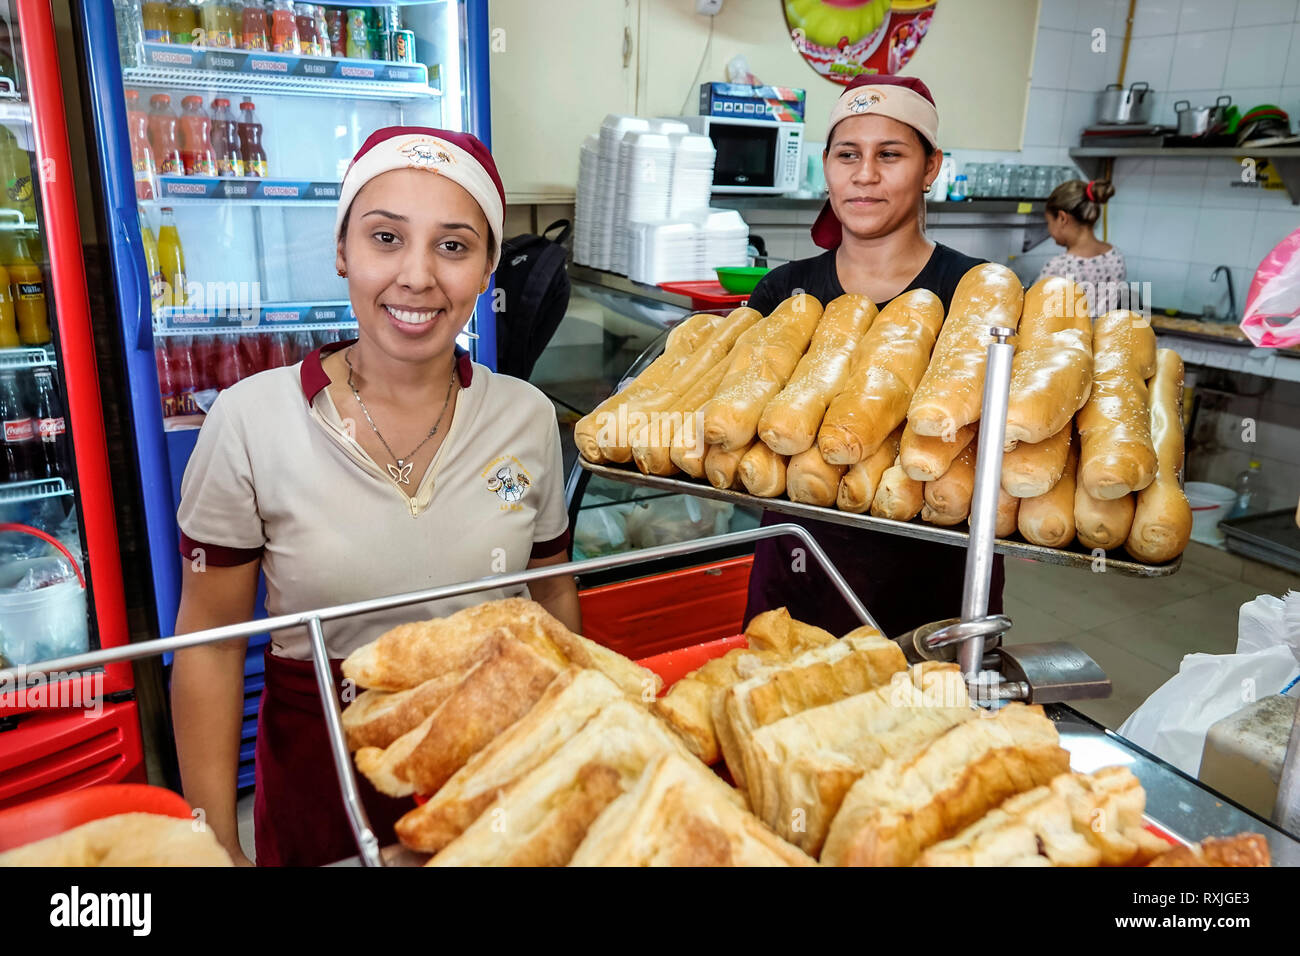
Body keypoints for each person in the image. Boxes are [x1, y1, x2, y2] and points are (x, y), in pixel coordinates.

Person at [170, 127, 579, 867]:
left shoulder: (525, 416)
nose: (417, 275)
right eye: (386, 237)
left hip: (494, 763)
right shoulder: (251, 421)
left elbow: (552, 598)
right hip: (324, 770)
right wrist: (213, 839)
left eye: (454, 246)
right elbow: (211, 645)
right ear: (341, 251)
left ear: (488, 267)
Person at [743, 74, 1004, 640]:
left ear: (931, 167)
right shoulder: (785, 294)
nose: (865, 174)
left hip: (932, 577)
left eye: (890, 154)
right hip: (798, 568)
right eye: (847, 155)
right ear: (828, 165)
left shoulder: (976, 293)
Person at [1037, 179, 1125, 317]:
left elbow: (1038, 314)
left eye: (1049, 222)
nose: (1049, 229)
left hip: (1066, 338)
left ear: (1062, 218)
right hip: (1100, 336)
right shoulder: (1115, 256)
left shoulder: (1059, 266)